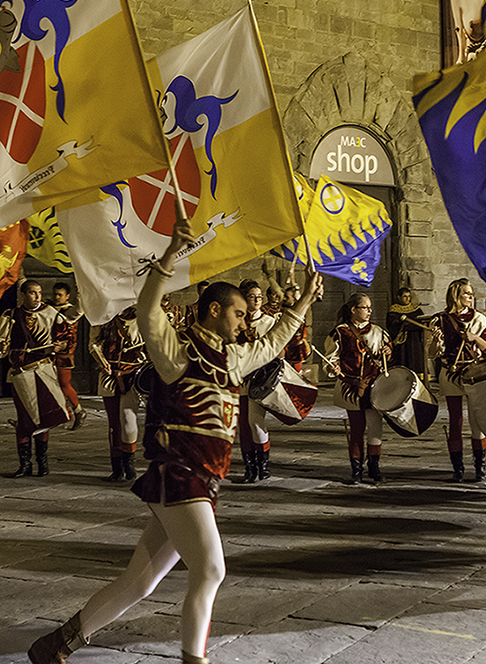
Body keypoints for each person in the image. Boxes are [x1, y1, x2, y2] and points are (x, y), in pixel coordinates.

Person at [27, 214, 322, 664]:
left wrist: (301, 303)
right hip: (179, 475)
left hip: (201, 482)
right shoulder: (177, 355)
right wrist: (168, 258)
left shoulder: (233, 359)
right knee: (211, 570)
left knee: (139, 581)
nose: (245, 322)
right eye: (239, 313)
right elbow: (148, 310)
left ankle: (58, 644)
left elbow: (273, 343)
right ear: (215, 309)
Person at [0, 280, 72, 478]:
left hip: (44, 370)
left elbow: (66, 335)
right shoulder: (10, 316)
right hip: (22, 373)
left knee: (45, 416)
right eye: (32, 293)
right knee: (25, 419)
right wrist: (1, 347)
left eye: (39, 292)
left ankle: (42, 462)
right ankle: (25, 464)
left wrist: (60, 346)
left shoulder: (51, 314)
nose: (37, 296)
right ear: (23, 295)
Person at [430, 278, 486, 482]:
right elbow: (432, 354)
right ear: (455, 297)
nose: (471, 297)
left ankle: (480, 467)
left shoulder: (479, 319)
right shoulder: (440, 320)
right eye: (467, 293)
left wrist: (475, 338)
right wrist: (435, 340)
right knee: (455, 420)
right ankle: (457, 468)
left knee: (477, 420)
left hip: (474, 372)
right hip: (450, 373)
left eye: (471, 293)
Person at [328, 293, 392, 483]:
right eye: (365, 307)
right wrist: (333, 367)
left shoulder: (379, 331)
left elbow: (388, 355)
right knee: (356, 428)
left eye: (370, 307)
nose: (369, 311)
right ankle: (356, 469)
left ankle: (374, 466)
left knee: (375, 427)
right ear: (353, 310)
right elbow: (331, 357)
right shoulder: (340, 332)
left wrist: (387, 352)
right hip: (352, 387)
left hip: (374, 386)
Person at [92, 306, 148, 482]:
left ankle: (129, 464)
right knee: (113, 424)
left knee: (128, 418)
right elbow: (93, 344)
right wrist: (102, 362)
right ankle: (117, 468)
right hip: (109, 377)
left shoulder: (142, 320)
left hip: (132, 377)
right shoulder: (104, 319)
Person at [234, 278, 276, 483]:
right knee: (243, 424)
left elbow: (277, 350)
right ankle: (249, 468)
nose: (258, 300)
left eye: (260, 296)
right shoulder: (236, 321)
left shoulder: (268, 322)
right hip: (239, 379)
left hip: (259, 379)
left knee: (256, 421)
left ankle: (264, 465)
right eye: (252, 296)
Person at [51, 282, 85, 428]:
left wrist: (80, 288)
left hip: (64, 355)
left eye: (60, 295)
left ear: (67, 296)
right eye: (55, 294)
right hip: (46, 353)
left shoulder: (69, 312)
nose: (57, 297)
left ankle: (78, 411)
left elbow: (80, 309)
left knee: (64, 384)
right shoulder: (48, 308)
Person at [384, 287, 427, 379]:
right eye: (404, 296)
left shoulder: (416, 309)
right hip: (401, 344)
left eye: (408, 296)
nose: (407, 299)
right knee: (403, 360)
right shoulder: (394, 311)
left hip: (415, 342)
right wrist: (405, 325)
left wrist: (407, 324)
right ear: (398, 297)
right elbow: (392, 326)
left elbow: (421, 323)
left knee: (416, 361)